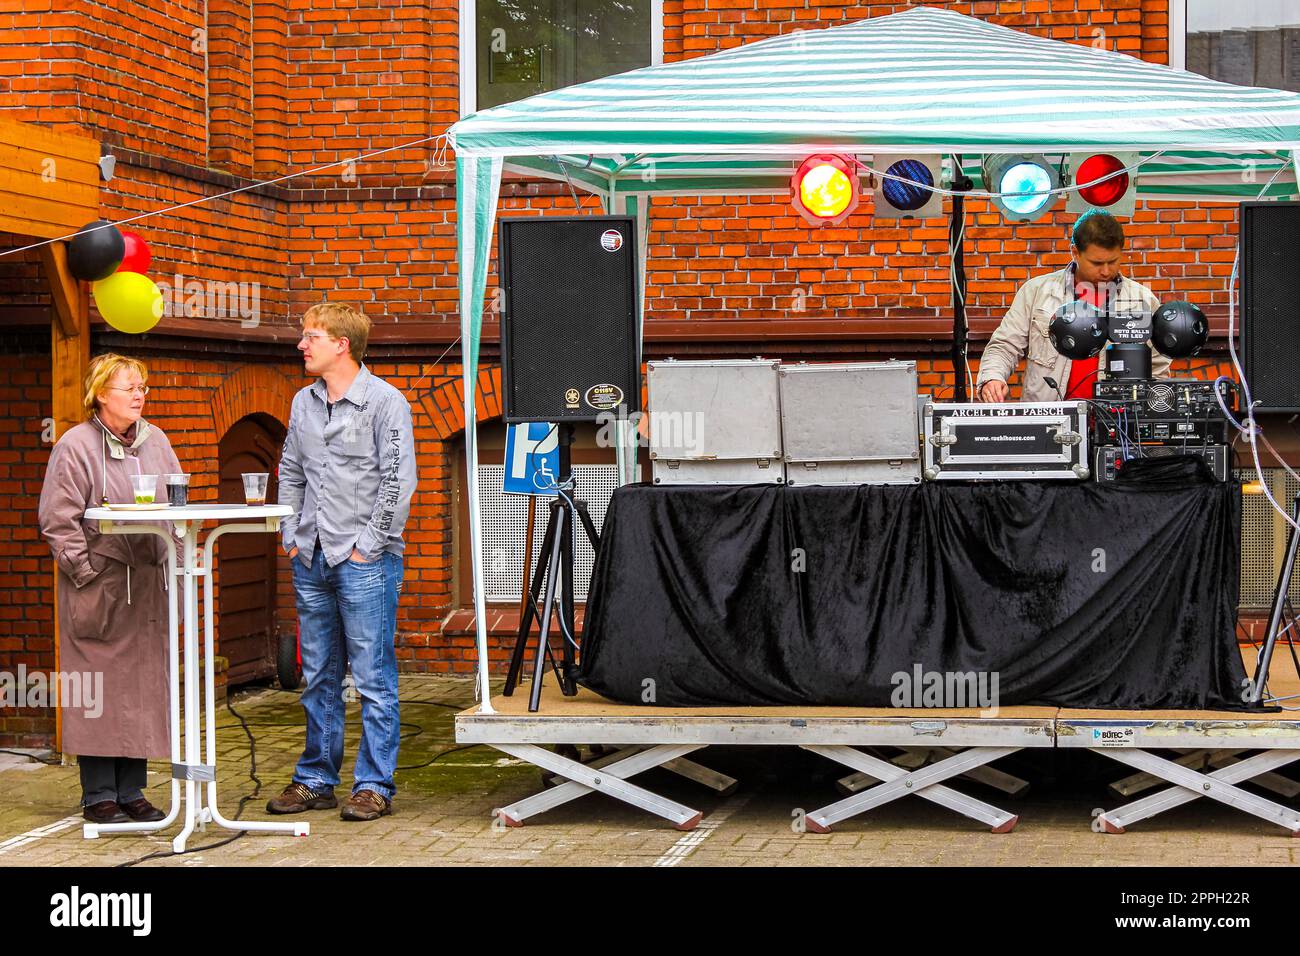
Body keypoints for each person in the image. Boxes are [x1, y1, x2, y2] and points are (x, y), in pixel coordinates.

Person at [268, 302, 417, 822]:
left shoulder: (385, 402)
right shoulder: (302, 403)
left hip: (364, 563)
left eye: (311, 336)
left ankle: (374, 785)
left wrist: (365, 548)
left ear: (341, 345)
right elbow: (290, 468)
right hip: (310, 557)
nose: (301, 345)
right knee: (319, 676)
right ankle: (315, 779)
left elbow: (398, 484)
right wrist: (290, 534)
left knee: (373, 679)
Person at [38, 354, 181, 824]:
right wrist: (86, 574)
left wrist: (173, 558)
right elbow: (58, 520)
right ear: (101, 394)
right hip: (99, 585)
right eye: (128, 388)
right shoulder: (75, 445)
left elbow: (176, 501)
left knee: (138, 686)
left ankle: (133, 791)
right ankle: (98, 794)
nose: (139, 395)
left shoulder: (156, 440)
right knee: (98, 688)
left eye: (142, 387)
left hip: (146, 587)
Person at [976, 210, 1171, 403]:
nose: (1105, 271)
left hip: (1118, 425)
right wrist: (993, 377)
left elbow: (1158, 367)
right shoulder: (1036, 292)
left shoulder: (1142, 300)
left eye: (1113, 261)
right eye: (1097, 263)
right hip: (1049, 423)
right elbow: (1005, 345)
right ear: (1075, 252)